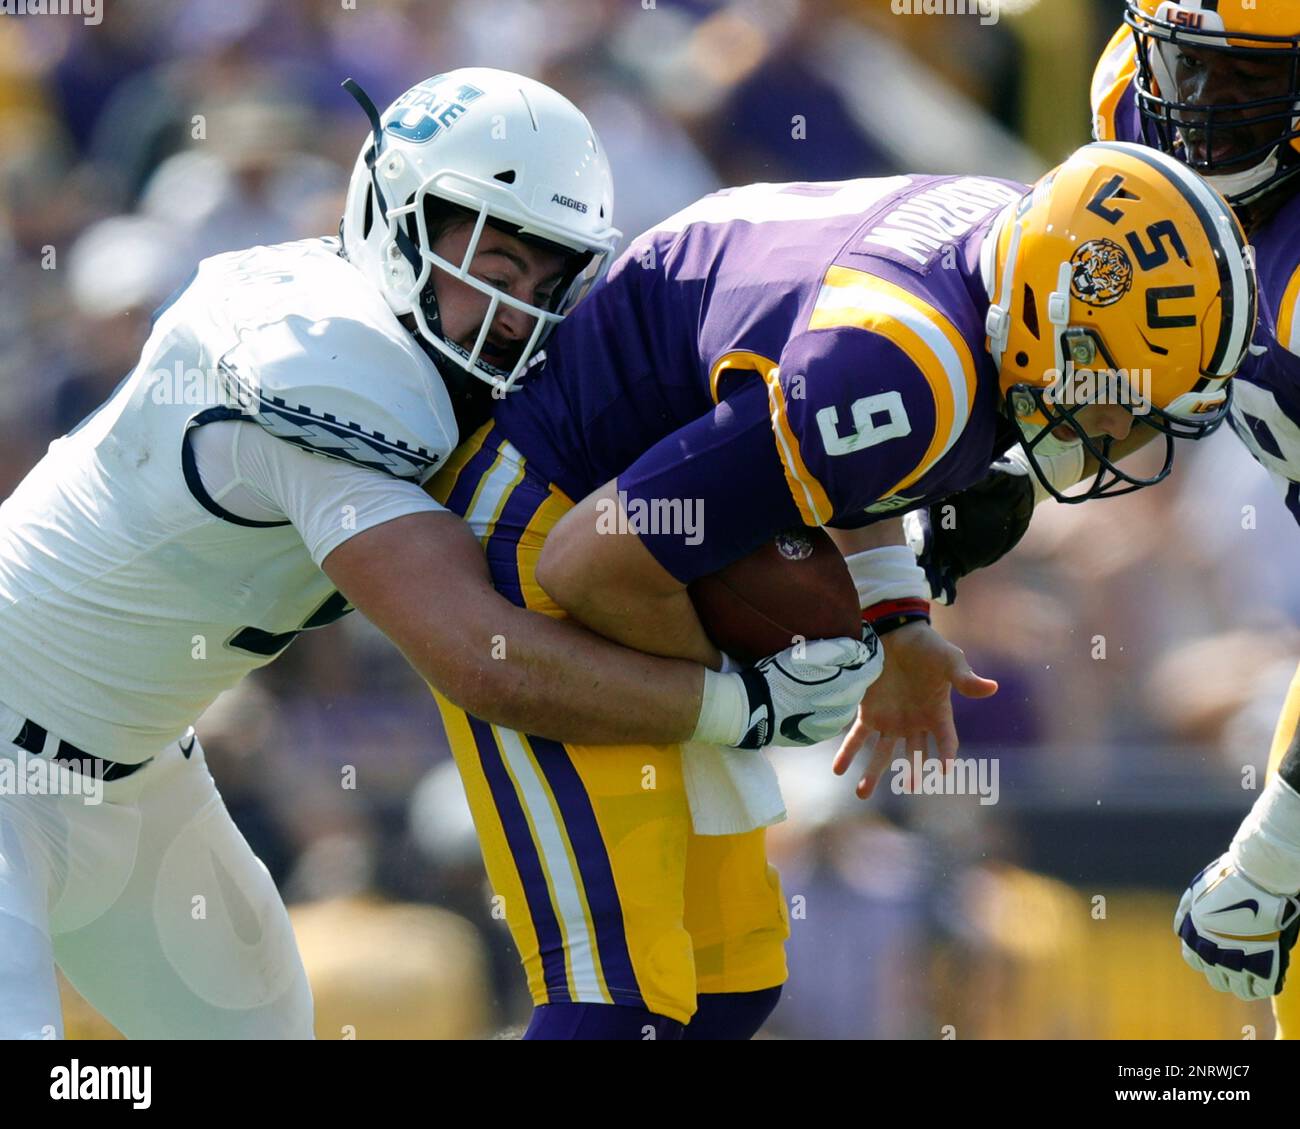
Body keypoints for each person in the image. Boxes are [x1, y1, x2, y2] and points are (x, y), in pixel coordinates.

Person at [0, 68, 876, 1039]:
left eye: (547, 284)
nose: (517, 315)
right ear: (395, 217)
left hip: (138, 777)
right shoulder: (318, 360)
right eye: (496, 273)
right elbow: (478, 656)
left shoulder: (431, 365)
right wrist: (736, 705)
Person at [427, 140, 1257, 1038]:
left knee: (728, 980)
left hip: (637, 499)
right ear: (1047, 311)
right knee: (619, 990)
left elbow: (829, 449)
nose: (1117, 426)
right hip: (540, 514)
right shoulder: (907, 367)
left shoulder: (1009, 253)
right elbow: (591, 562)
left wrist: (896, 617)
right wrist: (748, 698)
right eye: (1113, 388)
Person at [914, 0, 1300, 1033]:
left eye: (1250, 83)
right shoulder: (1131, 101)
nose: (1202, 115)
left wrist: (1273, 844)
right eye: (1190, 71)